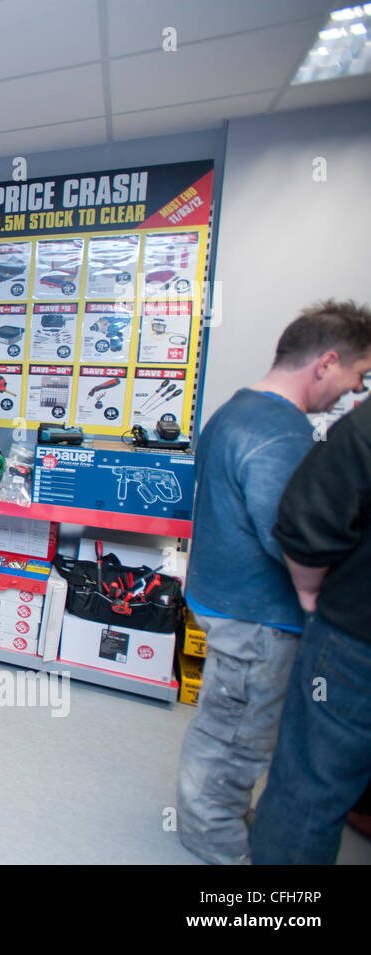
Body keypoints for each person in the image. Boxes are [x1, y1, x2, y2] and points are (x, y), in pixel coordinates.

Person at [176, 299, 371, 865]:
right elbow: (291, 536)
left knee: (223, 722)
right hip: (259, 614)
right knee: (235, 738)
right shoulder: (280, 435)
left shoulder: (235, 409)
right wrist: (316, 593)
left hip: (227, 599)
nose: (353, 394)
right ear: (326, 362)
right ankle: (219, 845)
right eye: (357, 377)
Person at [251, 371, 371, 864]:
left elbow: (303, 526)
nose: (355, 390)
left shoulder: (360, 429)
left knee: (310, 782)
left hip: (353, 633)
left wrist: (307, 589)